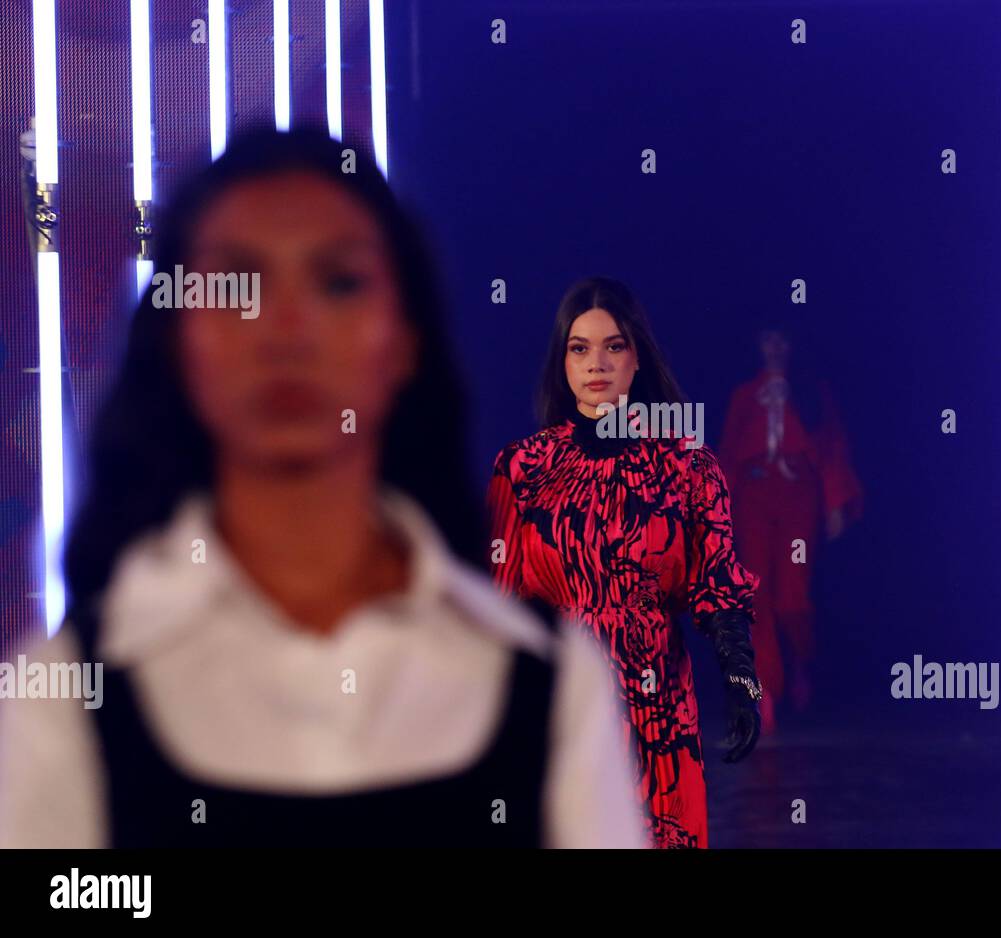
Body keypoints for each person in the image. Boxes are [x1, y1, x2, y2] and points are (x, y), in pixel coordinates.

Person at [0, 128, 644, 849]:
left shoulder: (552, 686)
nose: (287, 330)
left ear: (406, 339)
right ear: (177, 338)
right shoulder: (58, 704)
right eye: (236, 285)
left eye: (339, 282)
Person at [487, 277, 761, 848]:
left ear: (637, 356)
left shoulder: (688, 464)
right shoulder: (523, 469)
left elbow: (718, 583)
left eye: (614, 345)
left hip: (659, 708)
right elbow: (500, 605)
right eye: (579, 347)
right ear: (562, 360)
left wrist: (741, 680)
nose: (597, 363)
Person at [719, 326, 863, 730]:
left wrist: (834, 502)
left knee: (792, 599)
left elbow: (831, 448)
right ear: (757, 345)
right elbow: (728, 454)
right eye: (767, 339)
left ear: (793, 345)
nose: (776, 347)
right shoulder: (743, 395)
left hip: (797, 498)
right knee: (758, 596)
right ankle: (765, 690)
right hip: (754, 499)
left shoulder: (811, 393)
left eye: (783, 339)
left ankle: (801, 659)